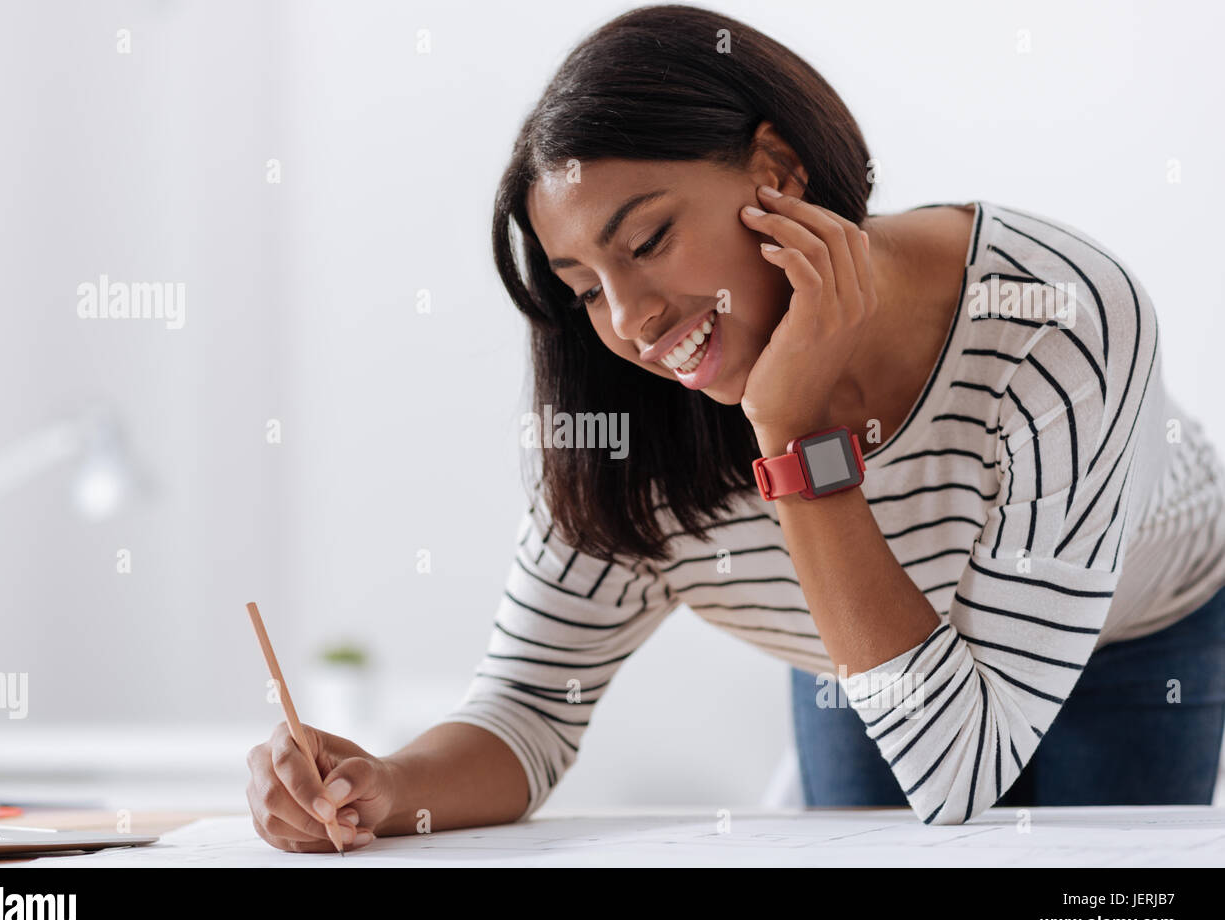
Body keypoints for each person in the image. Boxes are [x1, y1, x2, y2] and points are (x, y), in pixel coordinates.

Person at [245, 4, 1225, 851]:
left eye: (648, 241)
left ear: (778, 170)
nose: (630, 319)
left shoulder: (1055, 319)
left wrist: (797, 444)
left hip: (1134, 636)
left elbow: (960, 770)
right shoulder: (624, 425)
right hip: (871, 655)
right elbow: (530, 707)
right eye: (585, 287)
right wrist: (385, 791)